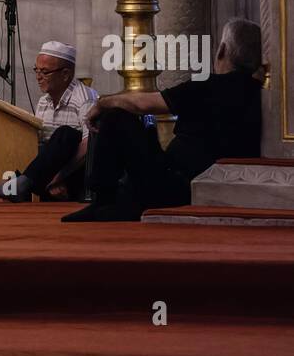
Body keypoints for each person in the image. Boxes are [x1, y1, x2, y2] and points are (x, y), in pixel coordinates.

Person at [62, 18, 266, 223]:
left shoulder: (208, 86)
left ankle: (103, 201)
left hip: (175, 185)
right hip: (223, 184)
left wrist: (103, 103)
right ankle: (120, 201)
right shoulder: (264, 95)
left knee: (116, 116)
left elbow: (143, 104)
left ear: (222, 50)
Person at [0, 41, 97, 202]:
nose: (38, 77)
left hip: (77, 171)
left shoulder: (85, 99)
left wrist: (60, 176)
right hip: (50, 173)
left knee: (66, 134)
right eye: (36, 70)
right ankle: (22, 184)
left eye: (44, 72)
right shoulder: (44, 102)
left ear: (65, 74)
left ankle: (22, 185)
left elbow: (90, 147)